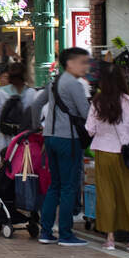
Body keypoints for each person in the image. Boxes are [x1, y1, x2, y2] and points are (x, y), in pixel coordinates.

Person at [86, 64, 129, 251]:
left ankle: (110, 238)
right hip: (127, 155)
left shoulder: (97, 102)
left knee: (106, 194)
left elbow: (90, 129)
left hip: (104, 153)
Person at [37, 48, 91, 245]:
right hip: (68, 138)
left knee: (55, 185)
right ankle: (66, 234)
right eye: (83, 62)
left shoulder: (54, 82)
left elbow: (37, 103)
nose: (86, 66)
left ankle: (46, 231)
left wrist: (39, 126)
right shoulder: (74, 84)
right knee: (69, 187)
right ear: (70, 64)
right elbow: (86, 113)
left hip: (50, 137)